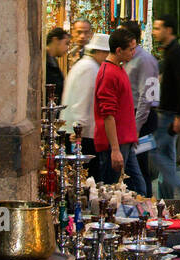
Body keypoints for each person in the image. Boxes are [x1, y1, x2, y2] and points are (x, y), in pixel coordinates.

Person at [93, 26, 146, 193]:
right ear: (118, 50)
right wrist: (115, 150)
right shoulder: (108, 73)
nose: (133, 53)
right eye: (130, 49)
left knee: (139, 189)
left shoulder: (119, 68)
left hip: (125, 141)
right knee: (113, 192)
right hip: (115, 143)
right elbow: (108, 115)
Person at [151, 15, 180, 202]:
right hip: (166, 111)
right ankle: (167, 200)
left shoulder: (176, 52)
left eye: (158, 28)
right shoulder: (169, 51)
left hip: (168, 113)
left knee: (157, 152)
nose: (154, 32)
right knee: (165, 154)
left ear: (168, 30)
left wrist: (179, 115)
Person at [60, 31, 109, 178]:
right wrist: (78, 130)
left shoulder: (86, 65)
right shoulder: (89, 68)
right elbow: (81, 101)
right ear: (100, 52)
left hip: (80, 131)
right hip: (81, 134)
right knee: (84, 176)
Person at [122, 19, 160, 190]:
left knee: (139, 166)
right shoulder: (127, 58)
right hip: (132, 115)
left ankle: (144, 202)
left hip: (141, 117)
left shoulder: (144, 60)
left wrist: (137, 126)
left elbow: (147, 96)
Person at [45, 27, 70, 105]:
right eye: (66, 43)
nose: (67, 48)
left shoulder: (52, 60)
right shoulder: (44, 61)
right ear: (56, 40)